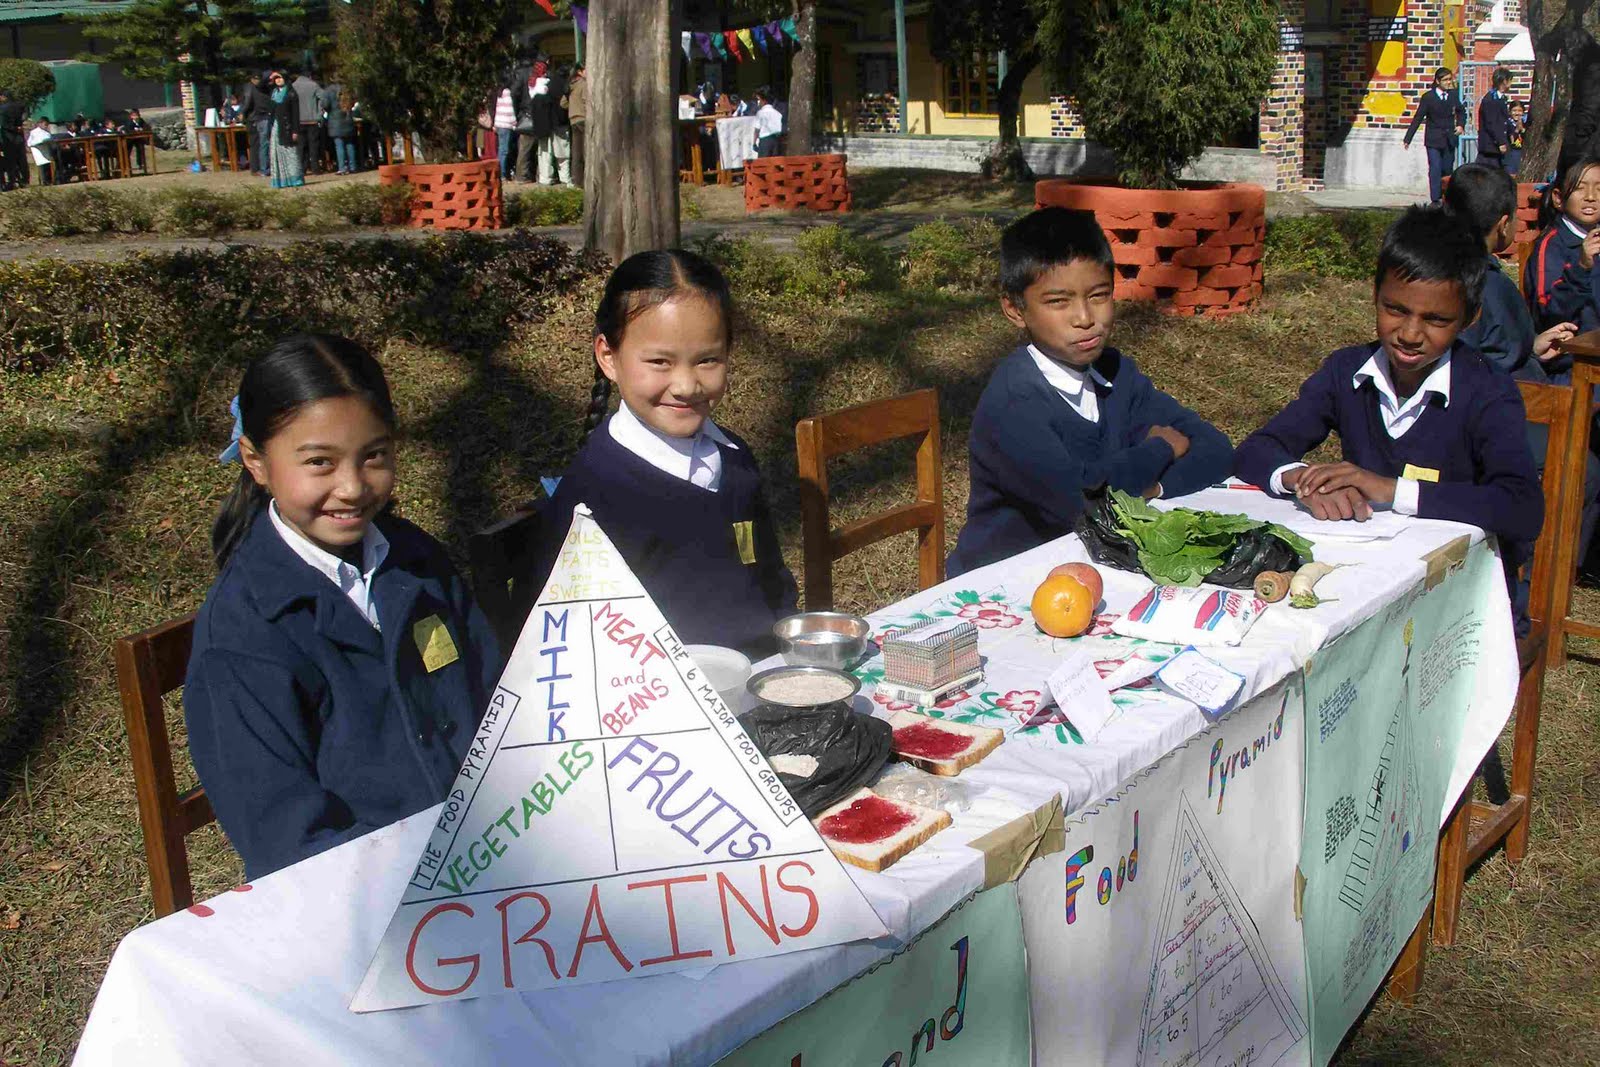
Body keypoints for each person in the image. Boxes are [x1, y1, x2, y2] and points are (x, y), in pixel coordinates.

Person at [184, 334, 502, 880]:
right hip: (368, 904)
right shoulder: (244, 634)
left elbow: (498, 699)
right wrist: (433, 885)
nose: (352, 487)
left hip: (492, 852)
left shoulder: (414, 557)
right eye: (320, 463)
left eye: (373, 455)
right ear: (256, 462)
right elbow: (286, 842)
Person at [1233, 204, 1542, 608]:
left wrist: (1390, 489)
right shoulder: (1346, 372)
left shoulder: (1487, 393)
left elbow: (1522, 508)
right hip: (1369, 584)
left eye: (1435, 320)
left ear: (1469, 319)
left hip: (1463, 598)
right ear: (1375, 295)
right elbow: (1255, 450)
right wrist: (1302, 480)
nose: (1410, 333)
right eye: (1395, 310)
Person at [520, 250, 798, 658]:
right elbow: (574, 647)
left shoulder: (735, 459)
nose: (686, 385)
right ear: (608, 357)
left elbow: (772, 582)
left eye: (708, 360)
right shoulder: (595, 497)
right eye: (659, 362)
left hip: (763, 681)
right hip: (661, 708)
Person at [947, 208, 1234, 576]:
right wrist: (1159, 449)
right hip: (1002, 582)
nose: (1084, 318)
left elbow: (1215, 448)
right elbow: (1079, 502)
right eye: (1058, 302)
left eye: (1098, 295)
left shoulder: (1114, 374)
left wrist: (1148, 491)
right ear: (1015, 309)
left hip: (1095, 568)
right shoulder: (1013, 401)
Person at [1446, 164, 1600, 591]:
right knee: (1584, 470)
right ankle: (1541, 581)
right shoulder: (1481, 282)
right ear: (1502, 225)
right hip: (1507, 409)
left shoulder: (1465, 269)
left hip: (1521, 384)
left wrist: (1531, 346)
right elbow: (1470, 361)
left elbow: (1491, 344)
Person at [1523, 153, 1600, 351]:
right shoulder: (1551, 245)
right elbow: (1547, 312)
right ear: (1558, 198)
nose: (1591, 197)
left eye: (1599, 189)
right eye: (1580, 189)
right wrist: (1581, 268)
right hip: (1572, 359)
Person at [1403, 67, 1466, 203]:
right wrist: (1408, 138)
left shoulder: (1453, 95)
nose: (1449, 82)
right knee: (1435, 168)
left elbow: (1461, 111)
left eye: (1450, 79)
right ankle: (1435, 199)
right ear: (1438, 81)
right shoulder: (1428, 97)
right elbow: (1418, 117)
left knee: (1447, 169)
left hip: (1449, 138)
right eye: (1446, 80)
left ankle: (1447, 198)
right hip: (1433, 140)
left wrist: (1460, 125)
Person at [266, 70, 304, 189]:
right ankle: (281, 180)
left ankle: (295, 179)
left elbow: (295, 114)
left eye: (280, 78)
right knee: (276, 154)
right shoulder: (273, 93)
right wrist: (269, 77)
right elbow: (261, 85)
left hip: (288, 127)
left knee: (291, 154)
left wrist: (295, 131)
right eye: (276, 78)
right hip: (276, 127)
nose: (278, 80)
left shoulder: (291, 94)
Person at [292, 68, 325, 176]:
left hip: (299, 120)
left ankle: (302, 169)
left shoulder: (293, 86)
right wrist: (319, 112)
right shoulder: (313, 85)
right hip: (312, 120)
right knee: (313, 145)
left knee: (301, 146)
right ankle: (315, 168)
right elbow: (323, 98)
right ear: (310, 76)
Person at [243, 72, 273, 177]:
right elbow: (247, 103)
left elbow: (247, 103)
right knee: (262, 143)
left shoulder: (252, 87)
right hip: (258, 117)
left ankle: (257, 168)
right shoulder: (257, 88)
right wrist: (243, 114)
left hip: (256, 117)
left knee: (257, 144)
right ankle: (261, 168)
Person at [326, 89, 358, 174]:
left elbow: (325, 104)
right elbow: (354, 101)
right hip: (348, 120)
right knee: (349, 144)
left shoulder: (330, 91)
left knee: (339, 145)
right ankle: (353, 166)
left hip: (336, 121)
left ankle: (342, 168)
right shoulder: (348, 89)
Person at [565, 63, 586, 186]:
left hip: (573, 119)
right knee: (586, 151)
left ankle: (576, 180)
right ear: (580, 71)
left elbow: (563, 102)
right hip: (583, 118)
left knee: (576, 152)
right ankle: (585, 179)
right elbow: (586, 101)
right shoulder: (583, 84)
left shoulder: (570, 85)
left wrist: (572, 107)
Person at [492, 77, 517, 181]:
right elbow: (509, 110)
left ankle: (500, 172)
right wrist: (514, 123)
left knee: (501, 149)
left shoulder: (499, 93)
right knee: (504, 150)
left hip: (498, 124)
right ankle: (502, 174)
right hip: (506, 125)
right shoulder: (507, 93)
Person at [0, 90, 25, 191]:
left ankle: (6, 183)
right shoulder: (19, 106)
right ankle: (23, 180)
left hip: (7, 138)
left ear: (4, 97)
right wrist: (18, 128)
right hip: (18, 137)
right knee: (21, 160)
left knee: (9, 161)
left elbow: (4, 125)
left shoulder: (2, 109)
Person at [754, 87, 784, 158]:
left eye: (759, 100)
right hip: (776, 141)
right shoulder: (778, 114)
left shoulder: (760, 113)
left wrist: (754, 143)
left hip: (765, 141)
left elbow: (757, 130)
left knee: (763, 164)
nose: (758, 102)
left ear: (764, 101)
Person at [26, 117, 56, 186]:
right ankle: (44, 181)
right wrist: (40, 142)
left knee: (49, 166)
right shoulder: (34, 132)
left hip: (47, 151)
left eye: (47, 125)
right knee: (43, 168)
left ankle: (51, 180)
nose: (46, 126)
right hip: (39, 152)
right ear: (40, 124)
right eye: (45, 124)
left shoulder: (46, 133)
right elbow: (29, 143)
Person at [120, 107, 151, 173]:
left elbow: (146, 127)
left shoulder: (141, 121)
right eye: (134, 115)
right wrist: (135, 130)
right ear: (131, 116)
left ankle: (141, 163)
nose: (136, 117)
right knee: (127, 152)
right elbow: (128, 130)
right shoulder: (129, 122)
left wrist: (142, 129)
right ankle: (128, 166)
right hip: (129, 139)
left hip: (138, 138)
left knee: (141, 148)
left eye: (137, 115)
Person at [1506, 99, 1526, 176]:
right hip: (1512, 154)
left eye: (1519, 111)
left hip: (1522, 153)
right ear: (1510, 112)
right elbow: (1512, 141)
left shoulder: (1525, 123)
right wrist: (1517, 130)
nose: (1517, 113)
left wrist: (1523, 129)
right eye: (1514, 110)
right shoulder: (1508, 123)